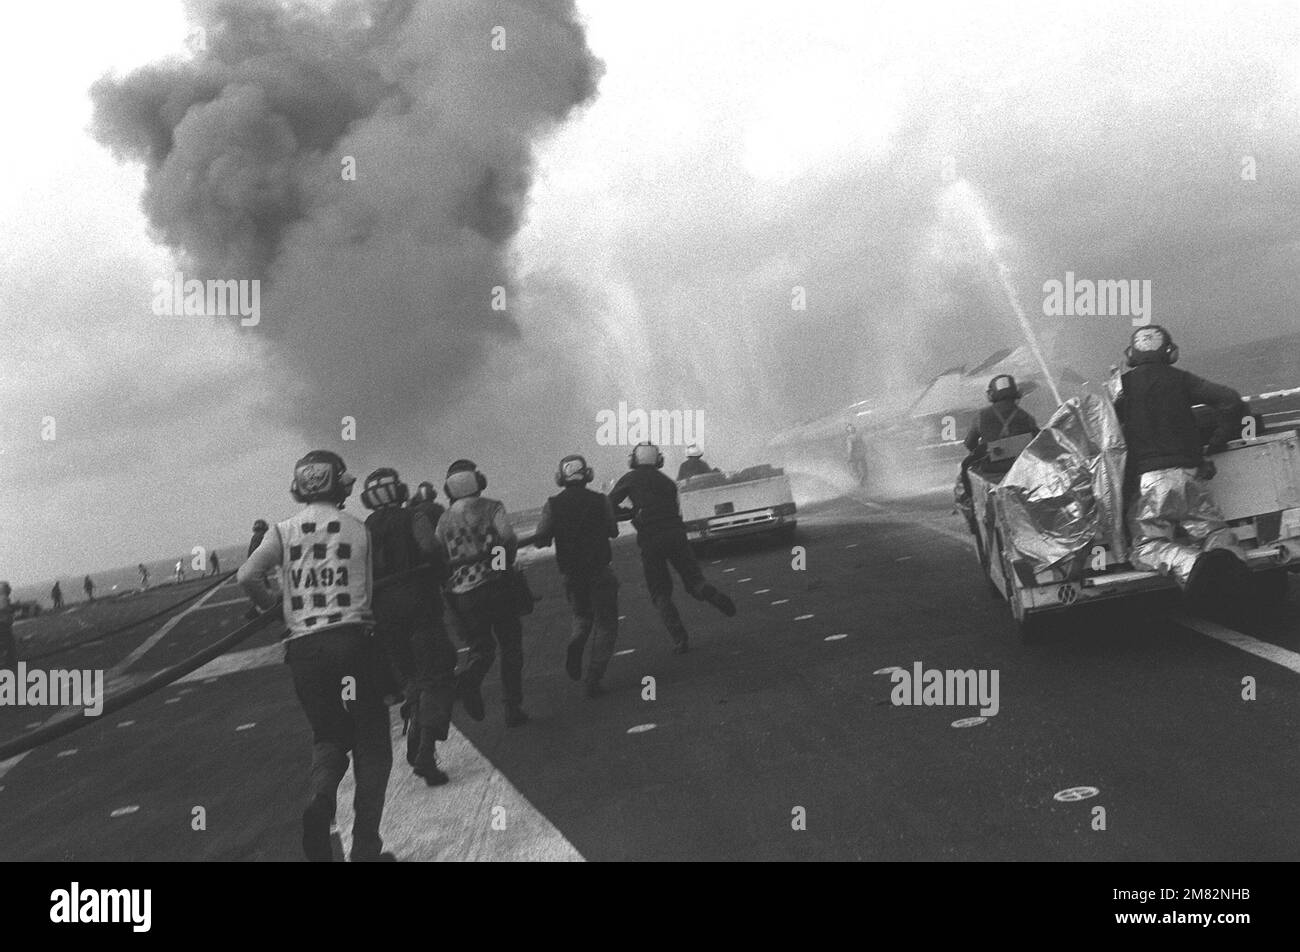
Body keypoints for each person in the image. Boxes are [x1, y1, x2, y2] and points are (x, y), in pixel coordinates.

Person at [237, 449, 394, 862]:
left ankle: (322, 800)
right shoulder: (358, 529)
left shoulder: (283, 530)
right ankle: (365, 851)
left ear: (297, 487)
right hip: (354, 643)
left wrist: (276, 603)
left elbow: (247, 575)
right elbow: (372, 594)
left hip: (304, 649)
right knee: (372, 743)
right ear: (340, 484)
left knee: (327, 736)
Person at [1113, 325, 1250, 600]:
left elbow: (1107, 435)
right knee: (1213, 530)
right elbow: (1230, 401)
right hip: (1190, 474)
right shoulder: (1181, 379)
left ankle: (1191, 564)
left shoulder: (1121, 387)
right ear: (1170, 353)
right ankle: (1229, 563)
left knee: (1146, 546)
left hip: (1148, 482)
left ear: (1131, 355)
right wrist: (1216, 442)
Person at [361, 467, 457, 785]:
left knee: (411, 679)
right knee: (437, 676)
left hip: (384, 615)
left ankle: (415, 727)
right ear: (401, 491)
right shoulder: (414, 516)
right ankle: (425, 751)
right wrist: (441, 573)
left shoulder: (362, 530)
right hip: (420, 606)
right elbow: (430, 547)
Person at [609, 442, 736, 654]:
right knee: (694, 580)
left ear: (634, 460)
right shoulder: (667, 481)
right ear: (658, 460)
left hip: (651, 538)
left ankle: (680, 639)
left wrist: (629, 513)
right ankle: (708, 592)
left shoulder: (629, 479)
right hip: (676, 534)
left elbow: (609, 504)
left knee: (660, 592)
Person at [435, 459, 529, 727]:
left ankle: (469, 680)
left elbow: (437, 552)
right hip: (497, 586)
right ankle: (512, 707)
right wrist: (502, 562)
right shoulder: (492, 506)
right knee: (511, 647)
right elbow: (508, 537)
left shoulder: (444, 518)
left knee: (481, 649)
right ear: (479, 481)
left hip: (464, 594)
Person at [533, 454, 620, 697]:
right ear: (587, 475)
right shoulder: (600, 500)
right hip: (600, 571)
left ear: (561, 478)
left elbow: (541, 540)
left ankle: (576, 642)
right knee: (606, 625)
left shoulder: (552, 504)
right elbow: (613, 531)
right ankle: (593, 678)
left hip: (572, 574)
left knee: (582, 617)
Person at [957, 374, 1040, 503]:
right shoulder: (1026, 417)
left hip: (991, 469)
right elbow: (1038, 442)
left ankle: (971, 510)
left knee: (964, 475)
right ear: (1014, 392)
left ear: (992, 394)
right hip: (1021, 469)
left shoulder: (982, 416)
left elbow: (969, 443)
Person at [0, 582, 15, 670]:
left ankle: (9, 660)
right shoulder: (3, 598)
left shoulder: (3, 598)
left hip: (3, 624)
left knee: (6, 642)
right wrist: (10, 608)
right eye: (8, 588)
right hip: (3, 624)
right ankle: (10, 661)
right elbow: (3, 608)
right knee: (8, 642)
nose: (10, 589)